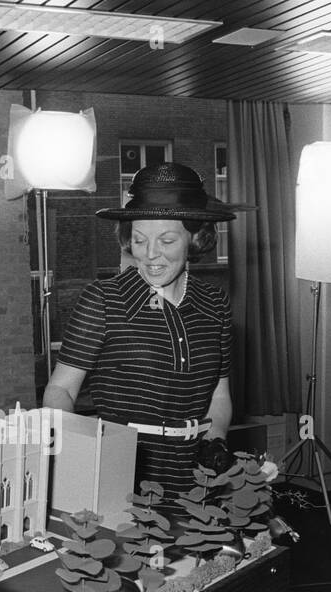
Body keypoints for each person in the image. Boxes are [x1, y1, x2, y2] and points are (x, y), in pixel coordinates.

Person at [42, 162, 241, 496]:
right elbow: (59, 391)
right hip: (125, 471)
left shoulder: (214, 304)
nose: (150, 254)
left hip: (198, 474)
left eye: (166, 240)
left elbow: (219, 395)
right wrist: (85, 454)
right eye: (138, 239)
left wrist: (216, 440)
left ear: (195, 239)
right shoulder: (103, 300)